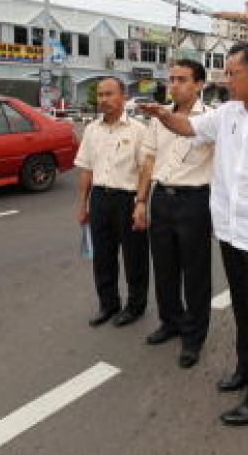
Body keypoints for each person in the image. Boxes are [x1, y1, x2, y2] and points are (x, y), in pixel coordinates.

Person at [139, 41, 248, 427]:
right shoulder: (227, 113)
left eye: (232, 72)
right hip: (231, 231)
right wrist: (161, 114)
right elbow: (188, 127)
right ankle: (244, 369)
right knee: (241, 309)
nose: (226, 79)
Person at [136, 59, 214, 369]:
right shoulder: (159, 117)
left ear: (199, 84)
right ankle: (170, 321)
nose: (175, 84)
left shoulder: (211, 120)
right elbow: (149, 160)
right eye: (172, 79)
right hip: (162, 199)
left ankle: (193, 337)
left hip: (194, 200)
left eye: (182, 79)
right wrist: (141, 201)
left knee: (195, 274)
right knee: (165, 267)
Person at [75, 77, 150, 328]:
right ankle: (108, 304)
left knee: (134, 257)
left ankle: (135, 306)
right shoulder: (91, 129)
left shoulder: (138, 130)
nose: (103, 100)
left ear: (123, 97)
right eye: (100, 95)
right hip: (100, 198)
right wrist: (82, 204)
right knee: (103, 257)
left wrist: (141, 203)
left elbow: (145, 171)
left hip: (126, 199)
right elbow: (86, 168)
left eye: (109, 94)